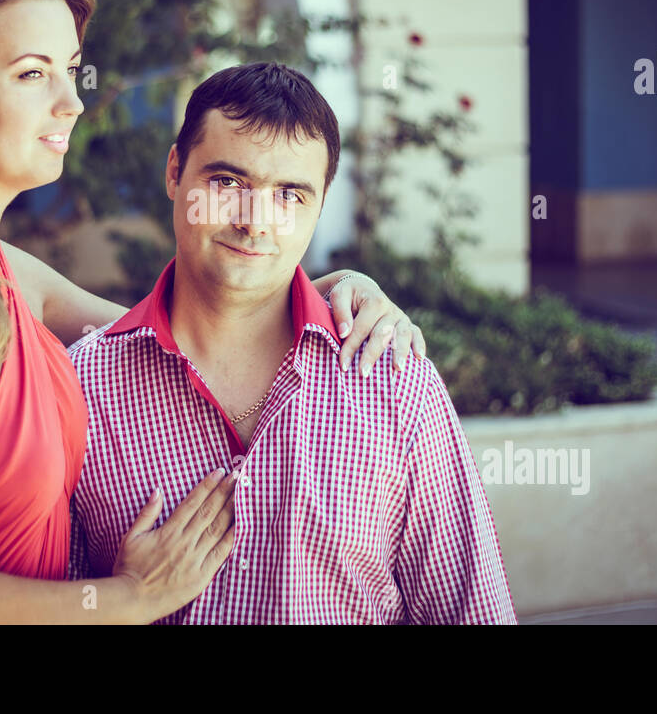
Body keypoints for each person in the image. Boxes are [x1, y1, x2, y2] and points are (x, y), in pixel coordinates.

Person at [0, 0, 426, 624]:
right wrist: (138, 595)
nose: (71, 101)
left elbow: (180, 328)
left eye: (70, 70)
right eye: (32, 73)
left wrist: (330, 293)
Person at [66, 62, 518, 624]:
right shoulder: (79, 389)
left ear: (320, 206)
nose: (255, 222)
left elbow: (470, 612)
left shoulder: (395, 384)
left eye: (289, 195)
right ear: (174, 172)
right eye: (227, 183)